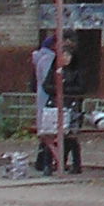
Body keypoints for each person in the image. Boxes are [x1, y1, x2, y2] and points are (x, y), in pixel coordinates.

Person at [33, 29, 82, 174]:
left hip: (70, 107)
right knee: (49, 135)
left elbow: (80, 87)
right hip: (53, 106)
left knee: (70, 137)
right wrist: (57, 90)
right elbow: (47, 85)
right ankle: (47, 164)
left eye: (68, 55)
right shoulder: (53, 69)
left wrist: (65, 90)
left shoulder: (76, 71)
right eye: (63, 55)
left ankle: (74, 164)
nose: (65, 58)